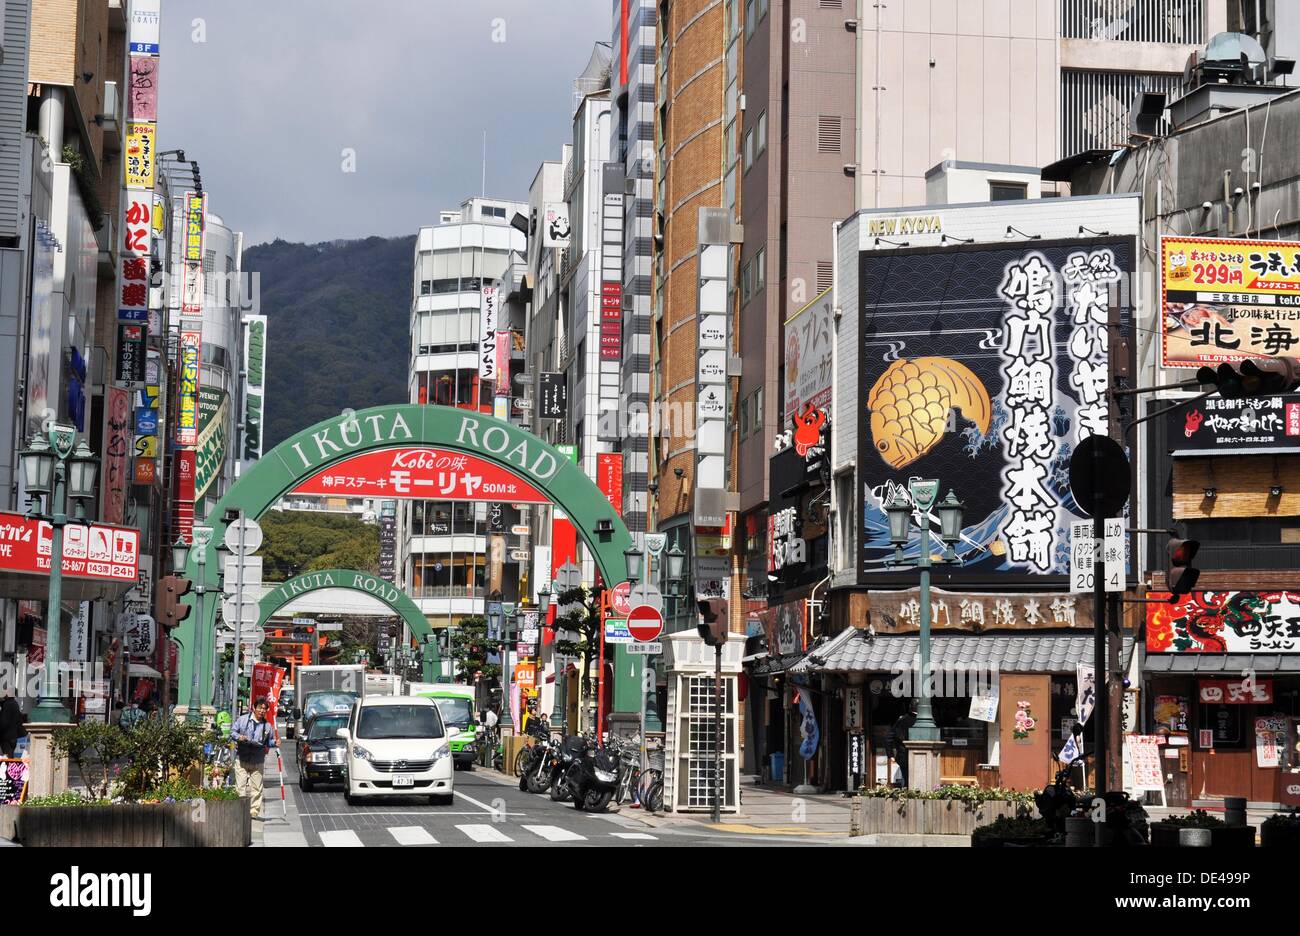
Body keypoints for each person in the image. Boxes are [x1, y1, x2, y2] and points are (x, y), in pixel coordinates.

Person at [230, 697, 277, 819]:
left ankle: (253, 812)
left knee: (257, 788)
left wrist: (275, 742)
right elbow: (232, 732)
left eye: (264, 709)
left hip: (258, 759)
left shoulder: (267, 726)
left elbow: (269, 742)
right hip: (242, 758)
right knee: (240, 787)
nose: (262, 711)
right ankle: (240, 810)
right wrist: (239, 737)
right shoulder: (243, 720)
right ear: (254, 708)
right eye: (260, 708)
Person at [889, 708, 917, 788]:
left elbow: (889, 737)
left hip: (902, 754)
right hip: (919, 756)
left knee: (907, 780)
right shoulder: (923, 720)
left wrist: (890, 754)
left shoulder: (902, 720)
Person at [0, 692, 21, 758]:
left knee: (7, 757)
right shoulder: (15, 704)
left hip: (6, 737)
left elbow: (3, 722)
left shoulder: (7, 704)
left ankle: (9, 768)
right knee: (10, 756)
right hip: (13, 736)